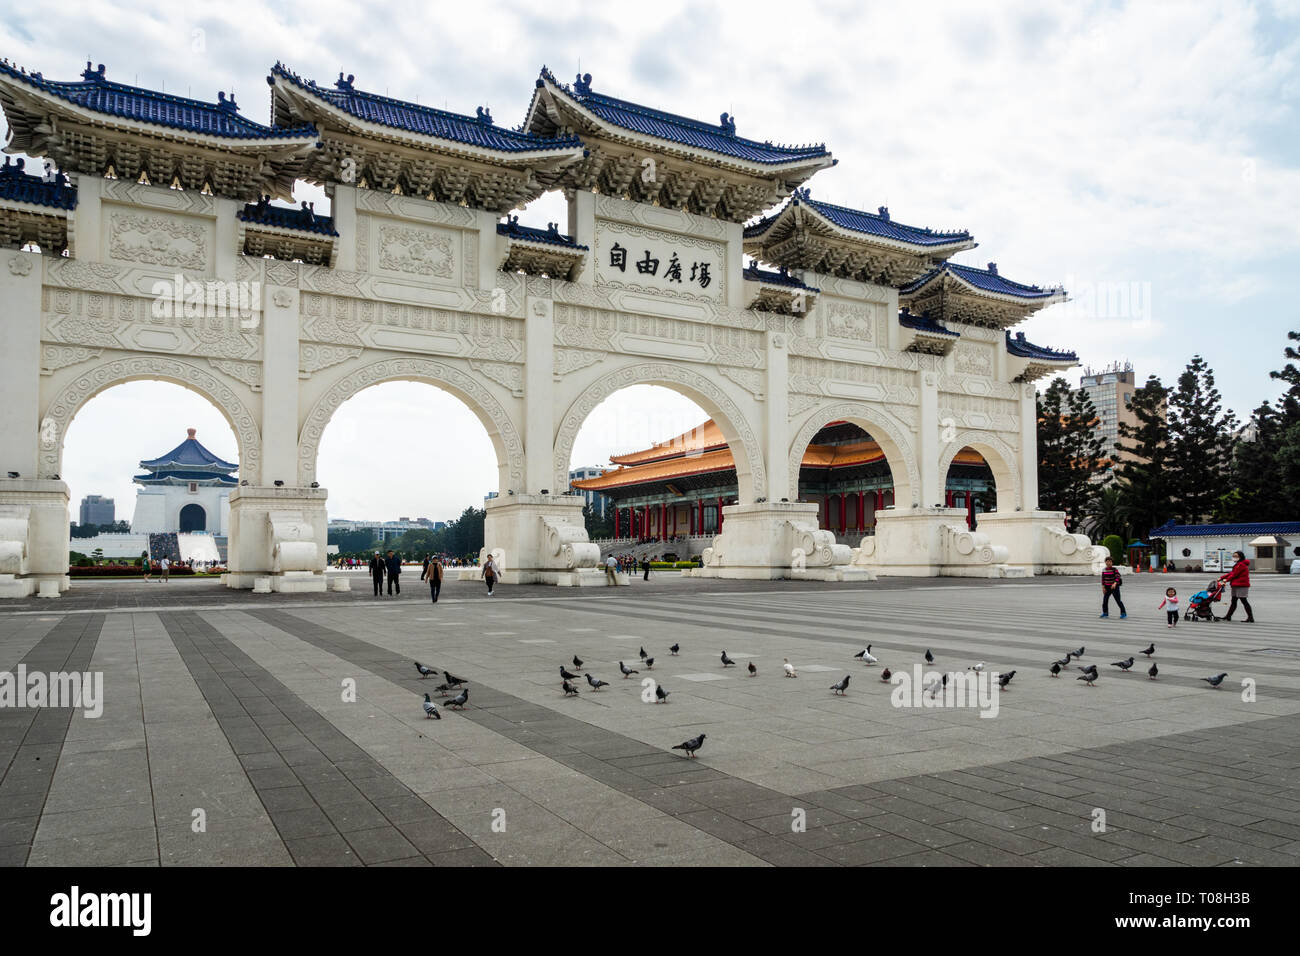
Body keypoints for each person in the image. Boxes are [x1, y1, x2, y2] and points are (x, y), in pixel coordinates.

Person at [1219, 551, 1254, 622]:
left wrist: (1226, 580)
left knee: (1244, 601)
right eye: (1234, 556)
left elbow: (1234, 574)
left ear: (1240, 557)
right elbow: (1232, 573)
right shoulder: (1238, 564)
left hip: (1241, 585)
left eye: (1236, 556)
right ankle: (1228, 616)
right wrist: (1222, 577)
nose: (1234, 557)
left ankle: (1250, 617)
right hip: (1236, 585)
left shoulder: (1241, 565)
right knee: (1234, 601)